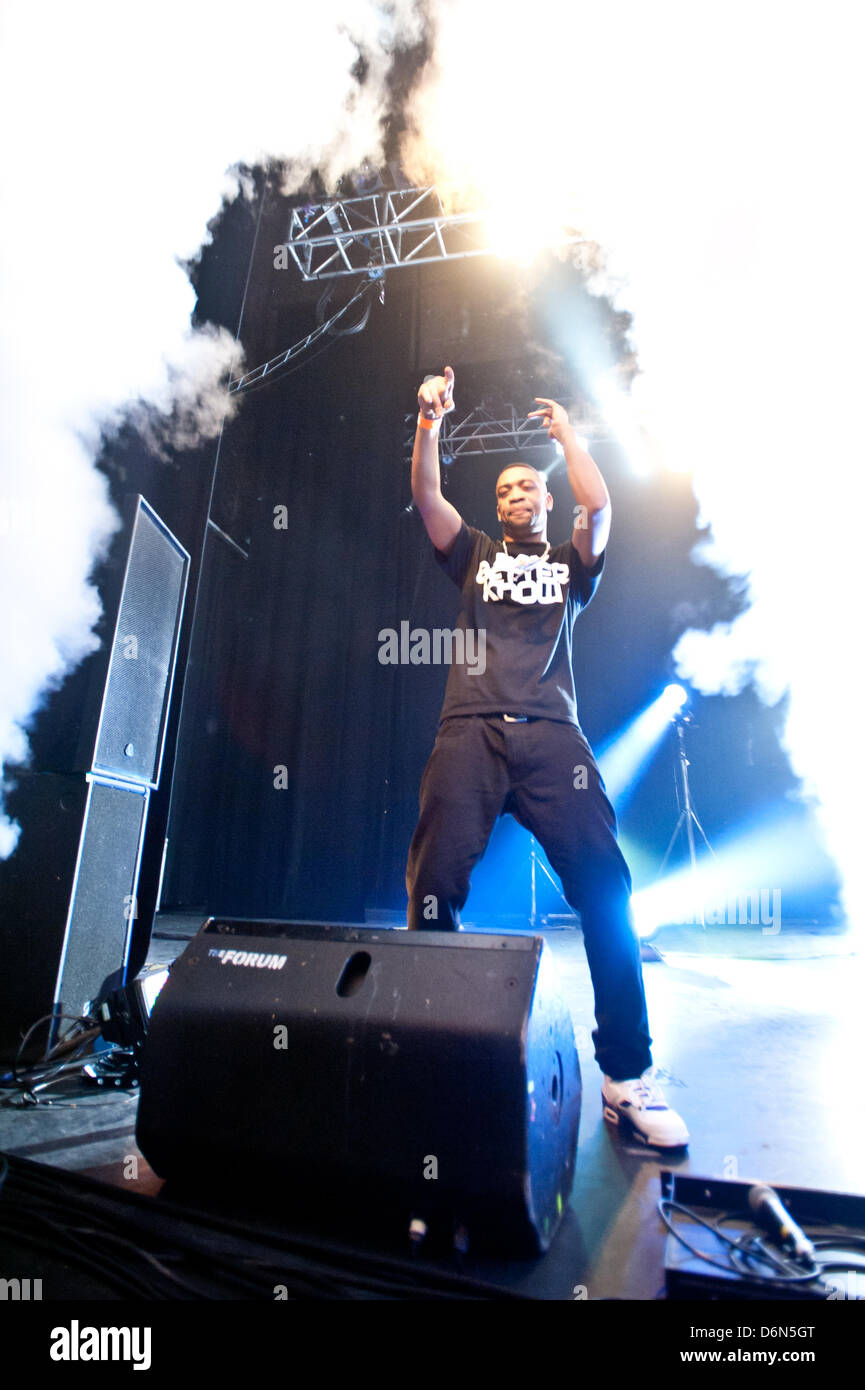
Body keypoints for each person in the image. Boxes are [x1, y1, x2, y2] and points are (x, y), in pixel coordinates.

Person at [405, 364, 688, 1150]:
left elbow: (599, 505)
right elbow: (430, 499)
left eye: (525, 488)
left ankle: (625, 1078)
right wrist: (428, 423)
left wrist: (570, 437)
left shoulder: (570, 563)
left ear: (546, 497)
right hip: (469, 728)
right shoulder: (473, 554)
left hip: (550, 735)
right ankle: (430, 1055)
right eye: (501, 492)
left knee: (606, 889)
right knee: (432, 889)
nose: (512, 497)